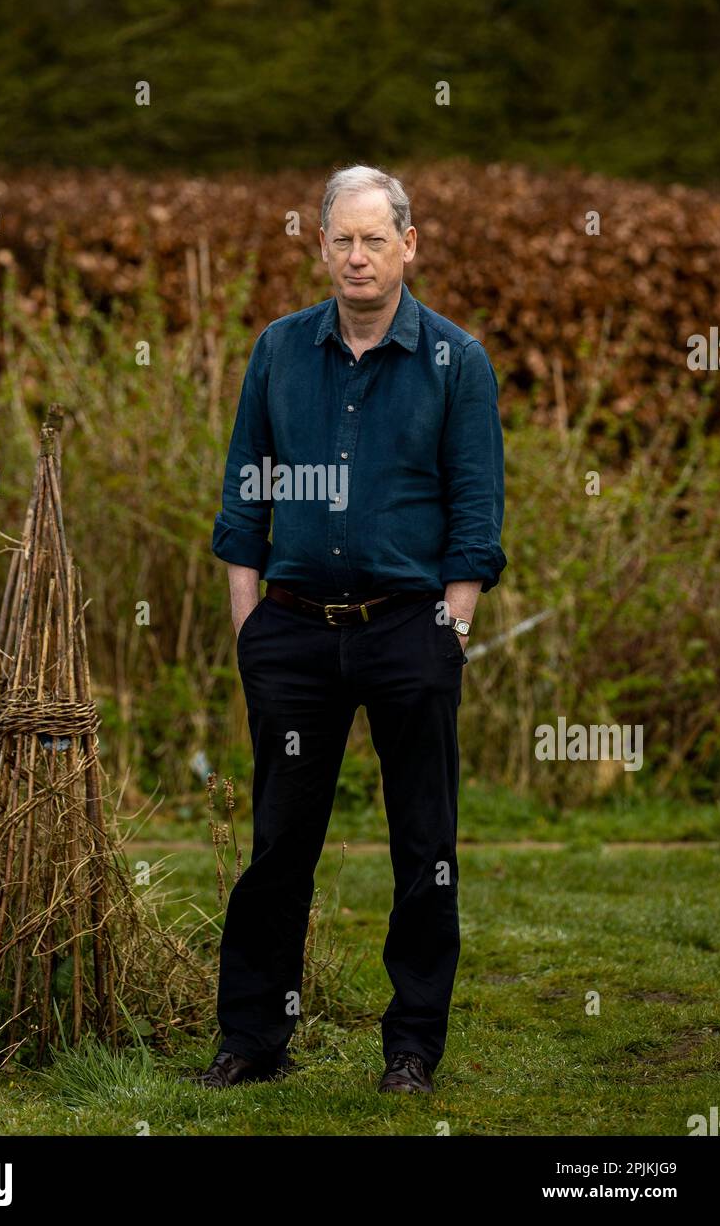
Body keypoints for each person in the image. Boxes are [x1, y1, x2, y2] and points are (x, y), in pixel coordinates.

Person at [188, 164, 507, 1094]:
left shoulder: (458, 361)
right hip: (291, 634)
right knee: (280, 847)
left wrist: (452, 629)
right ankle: (252, 1040)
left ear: (410, 244)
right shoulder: (279, 351)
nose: (358, 255)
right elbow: (245, 491)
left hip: (409, 633)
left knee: (424, 848)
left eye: (376, 238)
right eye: (342, 239)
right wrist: (249, 626)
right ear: (319, 245)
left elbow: (475, 514)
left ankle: (411, 1047)